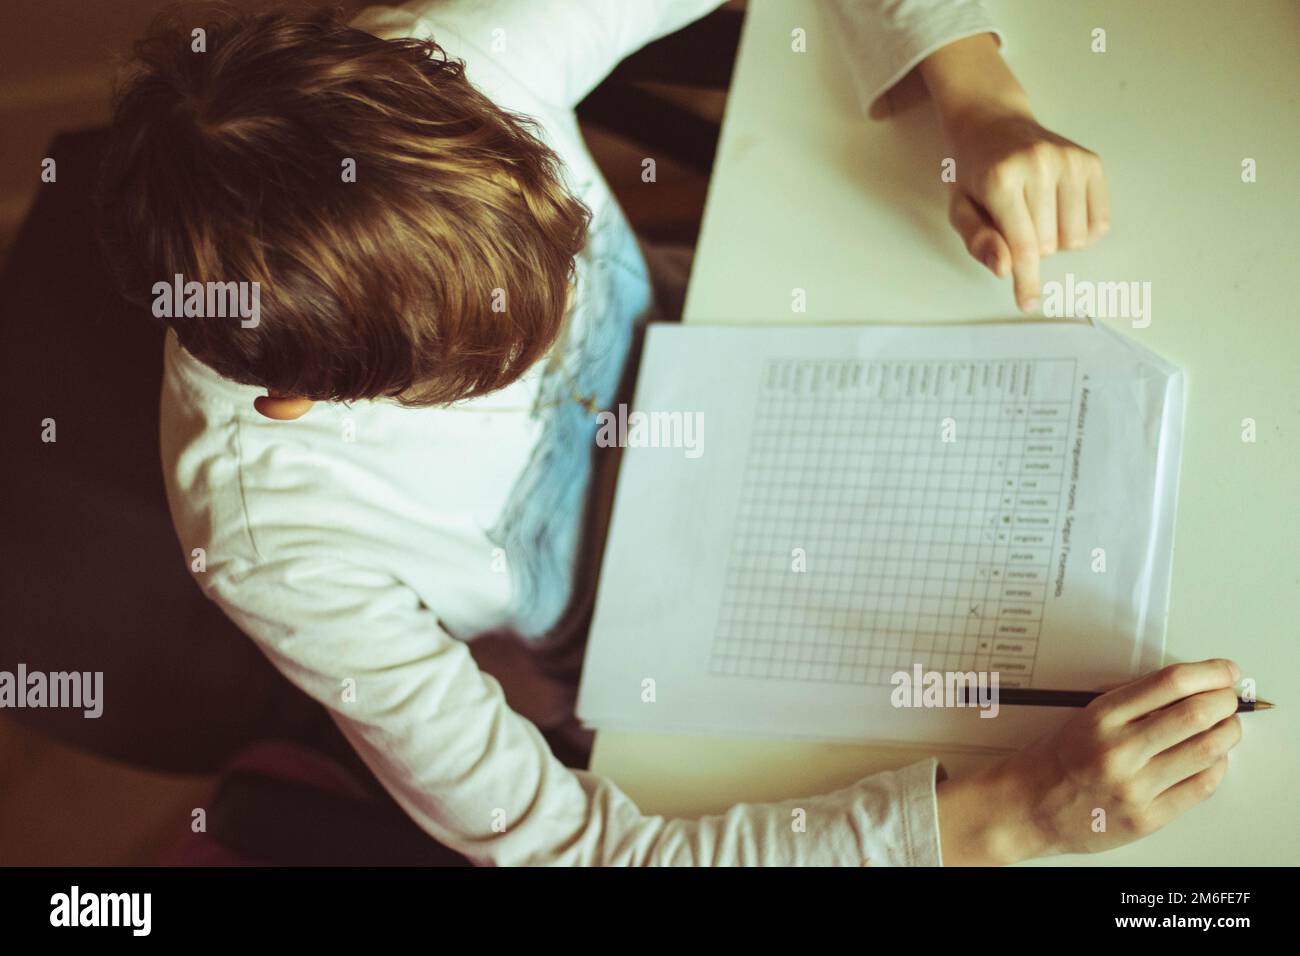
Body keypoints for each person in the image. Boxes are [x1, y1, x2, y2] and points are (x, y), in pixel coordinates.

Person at [97, 0, 1240, 865]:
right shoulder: (273, 535)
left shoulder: (449, 60)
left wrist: (975, 93)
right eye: (477, 364)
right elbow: (563, 845)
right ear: (301, 400)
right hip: (645, 669)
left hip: (763, 354)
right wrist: (1007, 816)